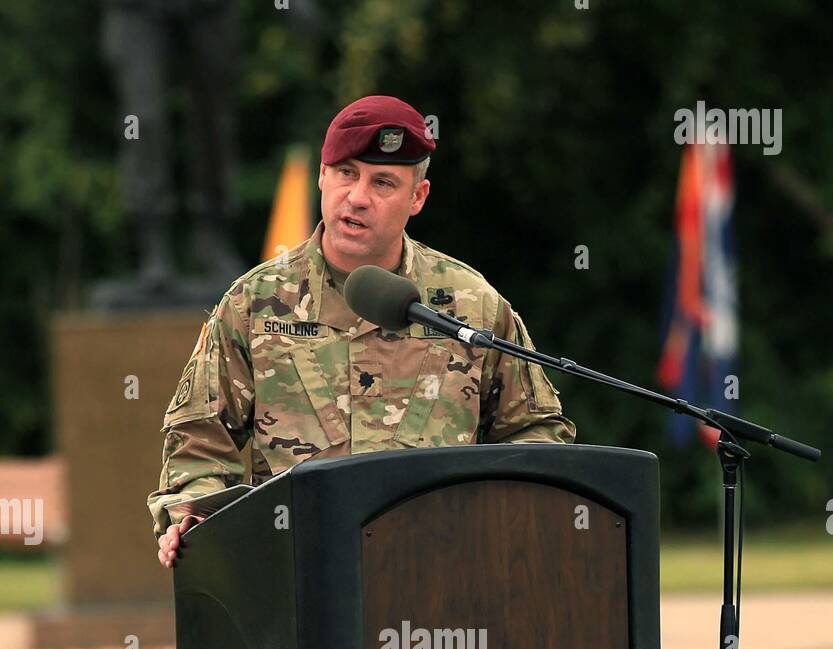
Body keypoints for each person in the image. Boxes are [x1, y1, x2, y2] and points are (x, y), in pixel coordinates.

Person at [149, 95, 576, 567]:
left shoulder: (469, 305)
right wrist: (196, 513)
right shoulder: (253, 304)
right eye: (346, 173)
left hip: (443, 573)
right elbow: (200, 442)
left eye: (384, 183)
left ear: (418, 197)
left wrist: (493, 522)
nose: (357, 196)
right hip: (301, 571)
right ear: (322, 176)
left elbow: (535, 435)